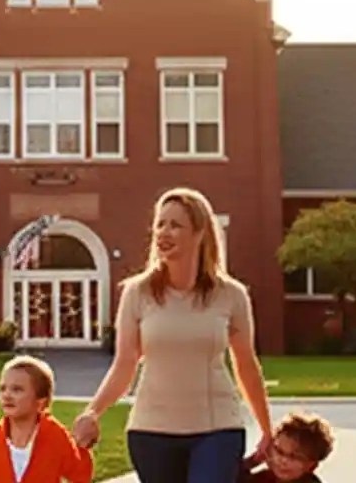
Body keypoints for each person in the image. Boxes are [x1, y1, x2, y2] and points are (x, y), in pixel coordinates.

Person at [71, 187, 274, 483]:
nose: (164, 232)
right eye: (160, 224)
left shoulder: (231, 295)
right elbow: (125, 363)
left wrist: (267, 429)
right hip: (151, 432)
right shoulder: (137, 292)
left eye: (175, 225)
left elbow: (246, 364)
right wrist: (93, 412)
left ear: (200, 232)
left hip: (218, 429)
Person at [0, 355, 93, 483]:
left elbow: (79, 473)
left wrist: (83, 446)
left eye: (17, 390)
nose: (7, 395)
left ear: (40, 402)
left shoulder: (54, 434)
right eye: (3, 389)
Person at [238, 412, 334, 483]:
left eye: (295, 457)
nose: (283, 460)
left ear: (311, 466)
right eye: (279, 451)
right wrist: (253, 461)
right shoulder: (262, 479)